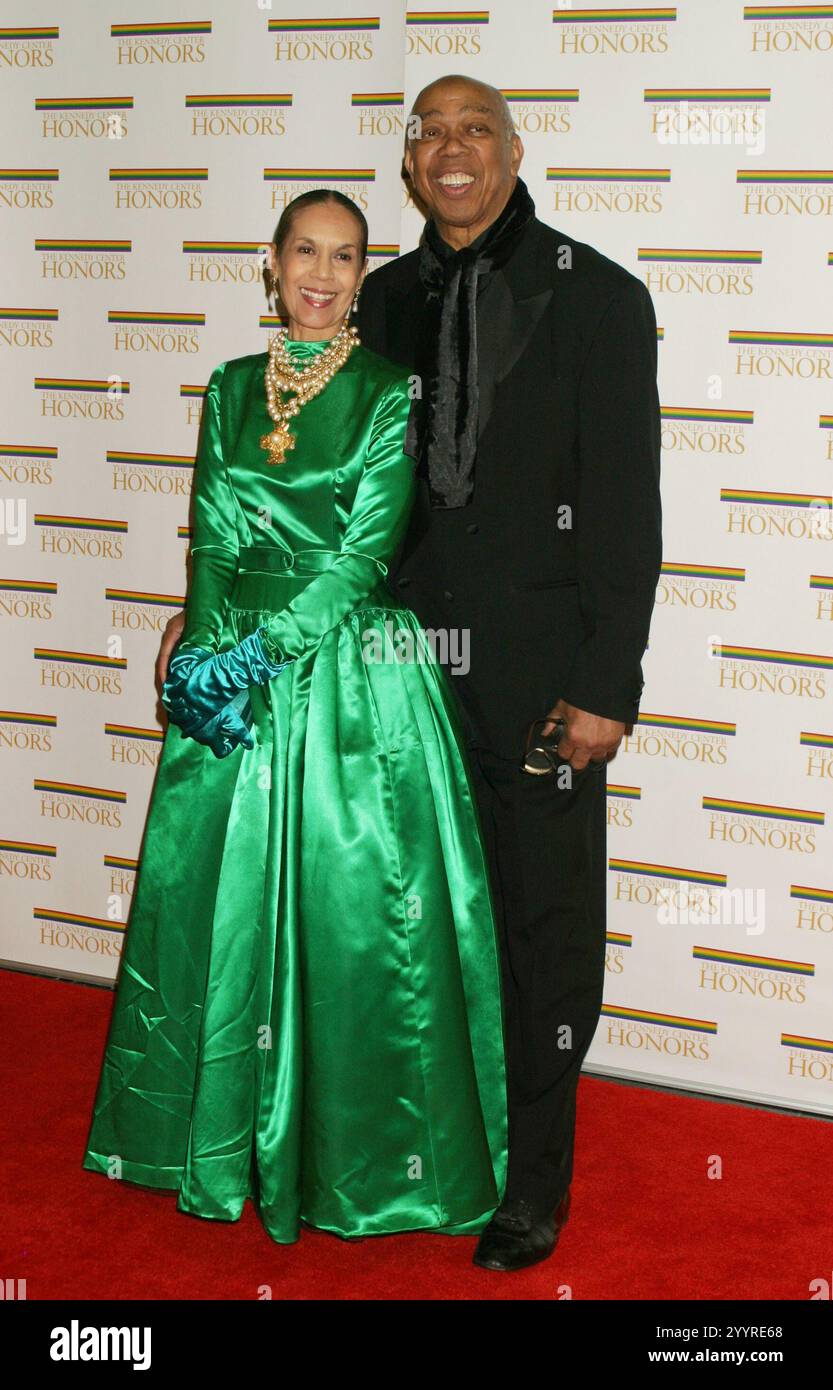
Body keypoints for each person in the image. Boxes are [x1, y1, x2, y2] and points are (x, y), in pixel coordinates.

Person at [157, 74, 663, 1273]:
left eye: (472, 130)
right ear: (405, 161)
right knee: (410, 930)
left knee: (542, 924)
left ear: (511, 148)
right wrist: (208, 616)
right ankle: (414, 1155)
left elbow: (624, 512)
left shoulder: (597, 298)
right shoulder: (368, 304)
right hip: (387, 675)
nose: (450, 152)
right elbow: (297, 496)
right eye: (428, 132)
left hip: (538, 679)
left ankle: (532, 1186)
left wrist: (606, 682)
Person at [82, 188, 509, 1246]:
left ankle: (357, 1160)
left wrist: (252, 662)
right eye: (304, 252)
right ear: (268, 265)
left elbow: (361, 556)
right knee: (212, 904)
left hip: (345, 678)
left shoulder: (384, 390)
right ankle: (209, 1138)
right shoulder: (228, 387)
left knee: (353, 917)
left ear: (364, 274)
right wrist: (213, 655)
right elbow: (214, 535)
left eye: (345, 256)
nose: (322, 273)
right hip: (233, 667)